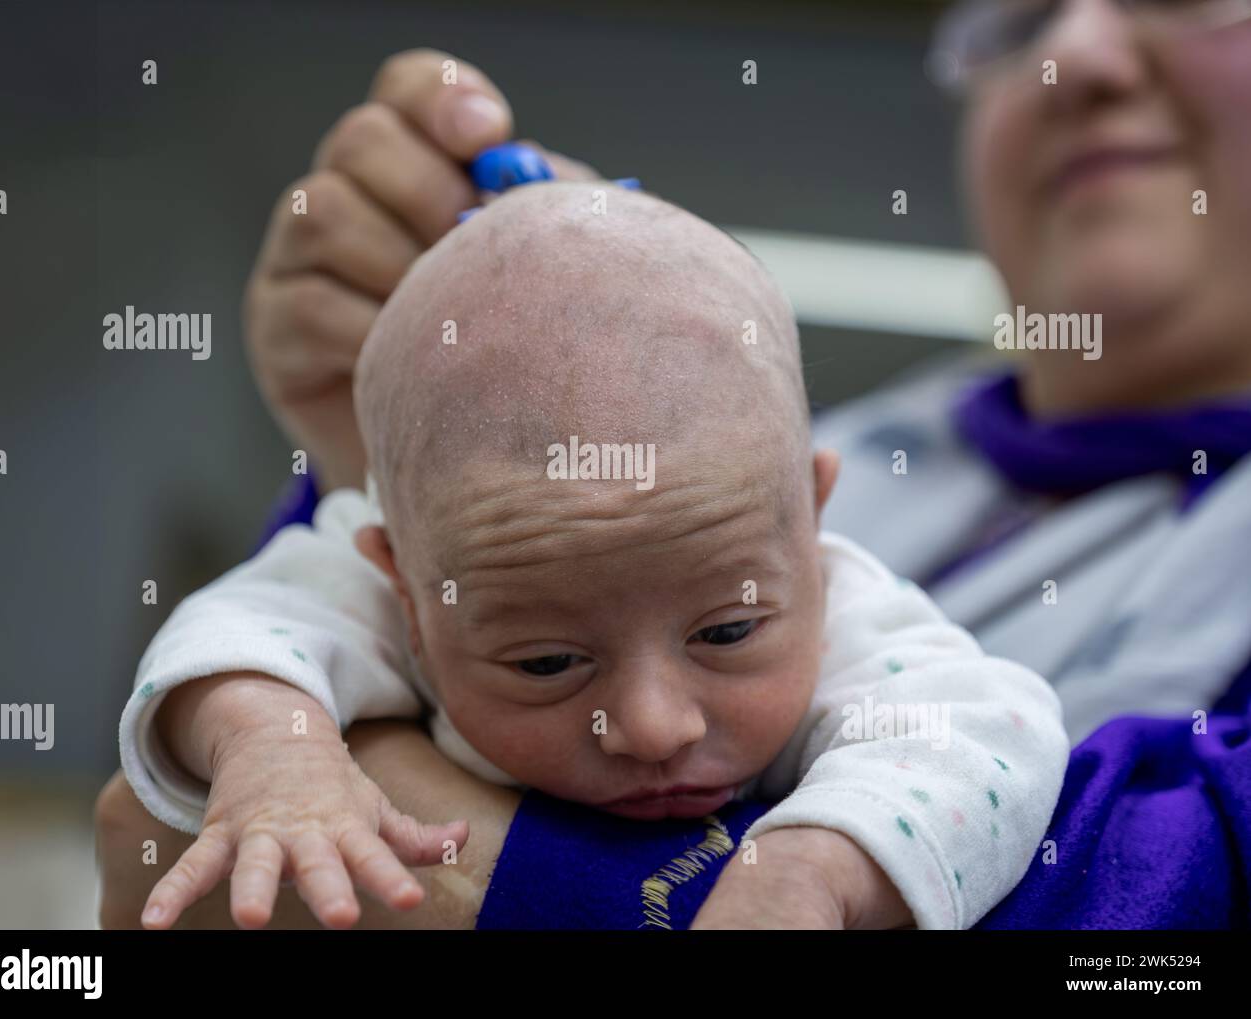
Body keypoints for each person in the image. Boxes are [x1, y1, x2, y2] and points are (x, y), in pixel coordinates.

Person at [98, 0, 1251, 929]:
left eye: (728, 630)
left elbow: (1020, 781)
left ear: (812, 516)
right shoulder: (809, 448)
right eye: (1021, 15)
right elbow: (261, 641)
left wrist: (778, 872)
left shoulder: (838, 580)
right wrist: (378, 461)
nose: (1081, 47)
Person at [116, 181, 1068, 932]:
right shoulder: (372, 591)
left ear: (813, 521)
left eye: (727, 632)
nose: (653, 728)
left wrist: (809, 870)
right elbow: (238, 631)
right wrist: (277, 756)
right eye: (547, 662)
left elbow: (992, 736)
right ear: (402, 584)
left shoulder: (849, 610)